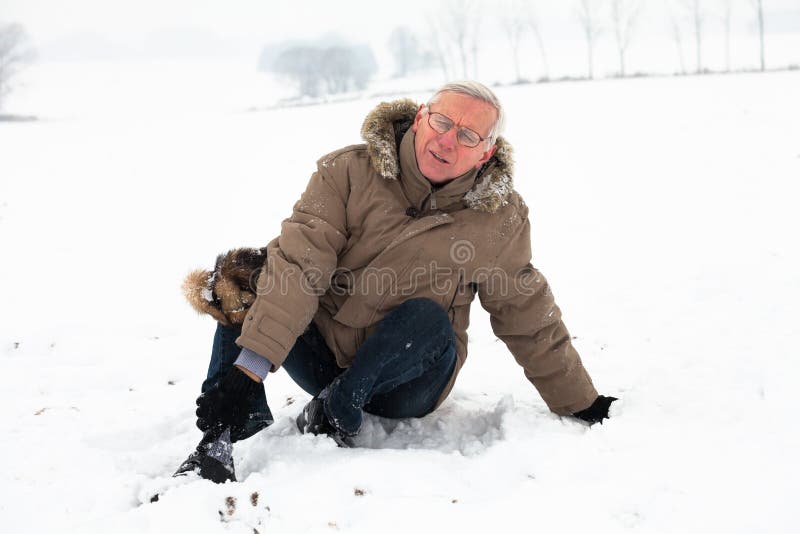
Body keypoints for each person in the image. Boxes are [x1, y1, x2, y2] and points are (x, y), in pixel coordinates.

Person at [176, 81, 617, 483]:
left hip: (409, 379)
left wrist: (580, 400)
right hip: (322, 356)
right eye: (442, 122)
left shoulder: (499, 218)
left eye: (468, 135)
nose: (447, 140)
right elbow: (299, 267)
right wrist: (249, 371)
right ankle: (218, 439)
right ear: (421, 116)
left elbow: (525, 311)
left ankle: (335, 408)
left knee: (426, 317)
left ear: (487, 153)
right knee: (252, 276)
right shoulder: (347, 173)